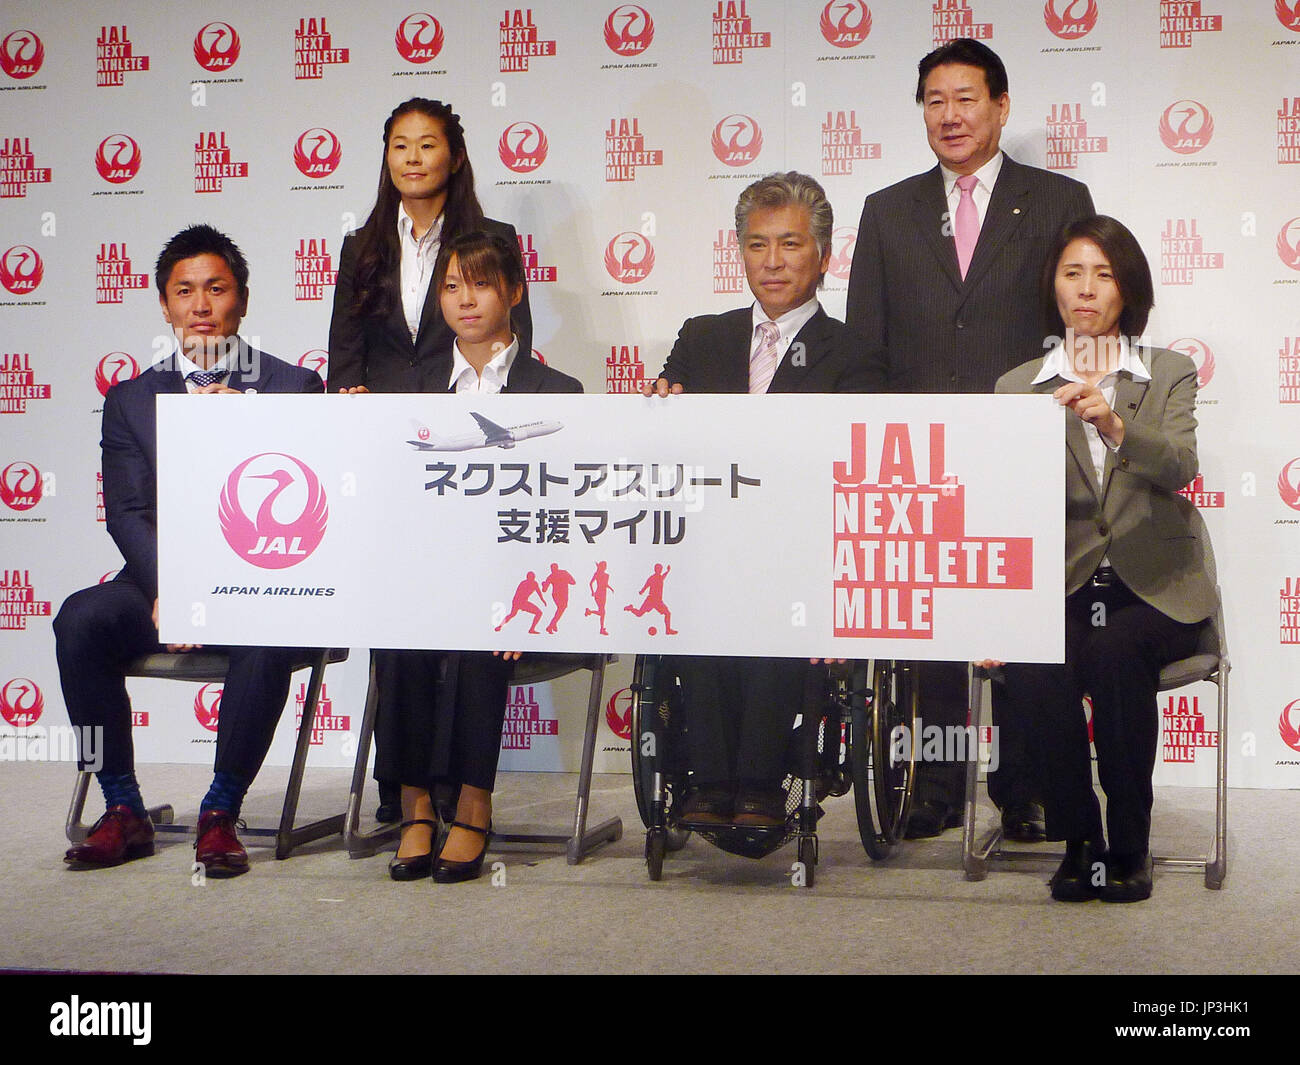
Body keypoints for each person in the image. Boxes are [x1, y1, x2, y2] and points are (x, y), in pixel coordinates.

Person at [844, 37, 1096, 841]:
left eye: (965, 99)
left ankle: (1025, 783)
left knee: (1025, 616)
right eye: (934, 101)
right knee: (930, 622)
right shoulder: (888, 210)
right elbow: (867, 343)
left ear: (1001, 107)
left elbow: (1080, 326)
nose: (949, 116)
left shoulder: (1058, 200)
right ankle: (929, 783)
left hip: (1022, 442)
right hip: (918, 453)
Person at [55, 224, 324, 877]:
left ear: (243, 299)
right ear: (165, 305)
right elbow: (128, 512)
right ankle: (121, 806)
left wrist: (249, 424)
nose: (201, 304)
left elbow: (309, 506)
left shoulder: (293, 388)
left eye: (216, 288)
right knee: (79, 618)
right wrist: (173, 590)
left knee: (266, 627)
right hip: (159, 578)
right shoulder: (130, 399)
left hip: (265, 580)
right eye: (185, 291)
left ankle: (219, 811)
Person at [646, 171, 885, 827]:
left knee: (776, 593)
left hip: (801, 544)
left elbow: (850, 462)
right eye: (757, 245)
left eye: (790, 244)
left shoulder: (856, 353)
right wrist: (661, 409)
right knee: (695, 591)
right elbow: (668, 446)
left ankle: (756, 782)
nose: (772, 262)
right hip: (709, 536)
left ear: (823, 256)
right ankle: (705, 781)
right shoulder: (703, 337)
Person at [994, 215, 1216, 902]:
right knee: (1036, 656)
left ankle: (1129, 842)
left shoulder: (1168, 373)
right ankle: (1079, 837)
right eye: (1072, 273)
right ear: (1053, 286)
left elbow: (1180, 464)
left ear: (1128, 290)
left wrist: (1115, 422)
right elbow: (1004, 509)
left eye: (1104, 274)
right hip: (1061, 586)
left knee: (1115, 649)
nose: (1086, 289)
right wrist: (992, 615)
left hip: (1155, 587)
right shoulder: (1016, 385)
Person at [326, 97, 535, 827]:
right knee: (401, 619)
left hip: (472, 455)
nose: (413, 157)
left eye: (428, 144)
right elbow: (344, 357)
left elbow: (517, 358)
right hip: (392, 459)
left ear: (454, 155)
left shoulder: (493, 239)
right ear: (386, 158)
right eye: (400, 146)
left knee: (467, 614)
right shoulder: (362, 246)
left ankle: (456, 788)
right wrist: (352, 405)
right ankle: (404, 790)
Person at [372, 229, 582, 884]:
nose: (465, 299)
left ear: (515, 292)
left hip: (520, 587)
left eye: (482, 283)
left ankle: (471, 805)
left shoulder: (556, 391)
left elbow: (567, 516)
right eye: (452, 285)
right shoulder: (411, 387)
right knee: (401, 622)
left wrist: (529, 594)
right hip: (430, 580)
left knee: (479, 623)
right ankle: (414, 807)